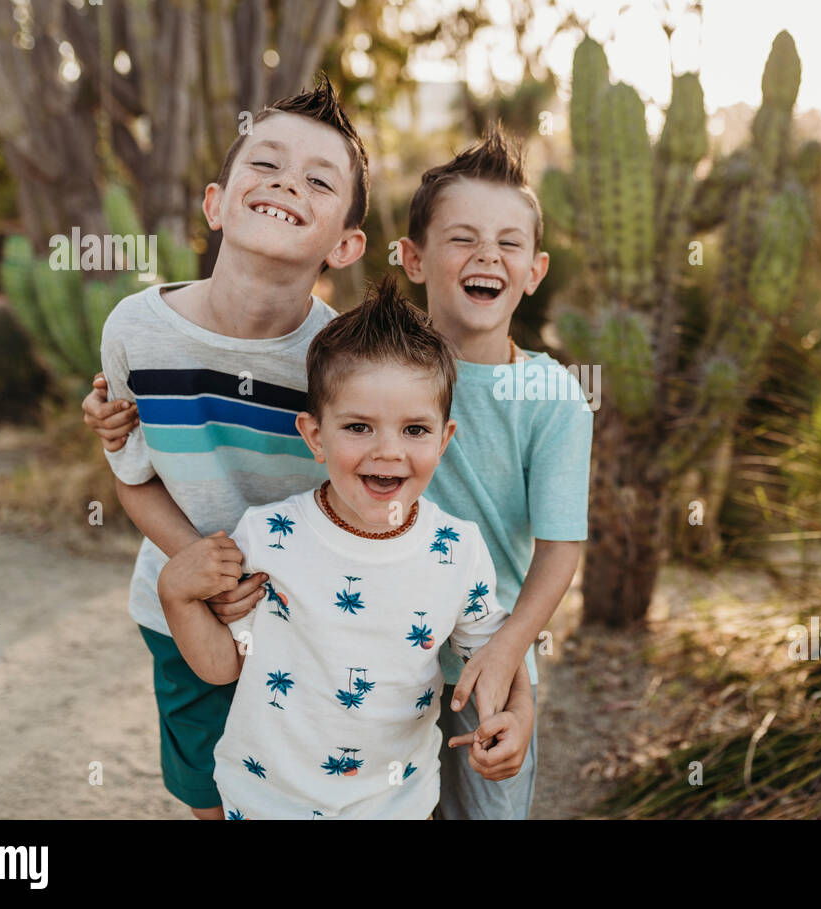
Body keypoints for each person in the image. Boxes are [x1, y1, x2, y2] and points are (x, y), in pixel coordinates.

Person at [86, 125, 591, 819]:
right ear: (412, 258)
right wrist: (120, 410)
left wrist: (511, 657)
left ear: (535, 269)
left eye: (509, 243)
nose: (486, 257)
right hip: (358, 645)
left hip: (483, 647)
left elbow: (559, 548)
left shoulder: (546, 396)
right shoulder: (365, 363)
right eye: (463, 238)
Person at [158, 277, 533, 819]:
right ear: (315, 436)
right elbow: (221, 666)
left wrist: (518, 716)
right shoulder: (268, 536)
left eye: (414, 430)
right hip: (266, 802)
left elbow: (493, 656)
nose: (388, 452)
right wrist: (176, 594)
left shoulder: (458, 550)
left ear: (444, 438)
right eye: (358, 426)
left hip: (397, 805)